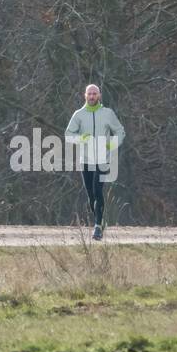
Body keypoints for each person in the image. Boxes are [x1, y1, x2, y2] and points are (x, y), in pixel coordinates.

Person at [64, 83, 125, 240]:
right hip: (85, 160)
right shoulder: (78, 114)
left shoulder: (107, 113)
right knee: (91, 196)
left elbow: (120, 132)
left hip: (102, 159)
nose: (92, 96)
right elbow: (68, 134)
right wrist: (80, 138)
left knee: (98, 191)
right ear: (85, 95)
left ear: (99, 96)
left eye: (94, 94)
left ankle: (97, 227)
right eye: (89, 94)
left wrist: (111, 143)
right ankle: (101, 220)